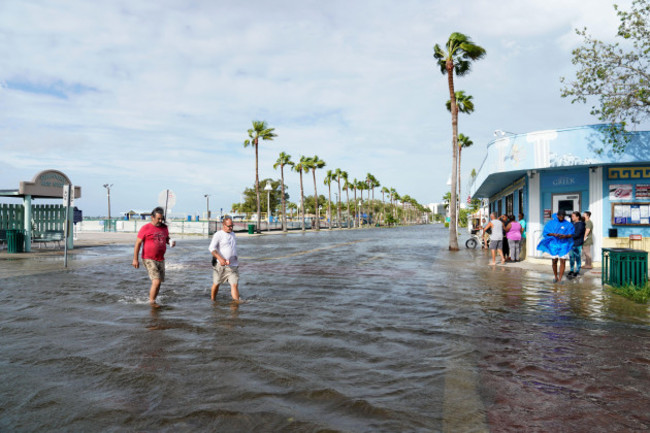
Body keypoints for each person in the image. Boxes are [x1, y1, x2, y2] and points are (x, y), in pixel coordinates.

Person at [132, 207, 176, 303]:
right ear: (152, 217)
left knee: (159, 282)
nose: (160, 221)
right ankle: (152, 303)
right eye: (158, 219)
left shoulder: (164, 227)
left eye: (161, 218)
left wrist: (171, 242)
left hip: (160, 258)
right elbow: (138, 243)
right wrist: (135, 259)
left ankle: (153, 299)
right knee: (156, 281)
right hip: (148, 258)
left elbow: (166, 238)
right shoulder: (145, 228)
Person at [537, 210, 574, 283]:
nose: (562, 217)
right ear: (557, 215)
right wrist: (554, 234)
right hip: (554, 244)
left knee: (563, 260)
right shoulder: (551, 223)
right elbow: (546, 233)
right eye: (560, 216)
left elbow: (571, 234)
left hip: (564, 244)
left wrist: (565, 236)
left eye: (563, 216)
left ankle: (560, 278)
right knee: (554, 261)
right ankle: (555, 276)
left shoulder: (568, 224)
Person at [209, 216, 241, 301]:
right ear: (223, 225)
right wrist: (220, 259)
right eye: (229, 226)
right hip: (220, 266)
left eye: (232, 226)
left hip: (233, 265)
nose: (231, 228)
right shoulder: (218, 234)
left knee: (234, 284)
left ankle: (236, 303)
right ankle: (213, 300)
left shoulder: (233, 234)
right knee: (216, 283)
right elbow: (211, 248)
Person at [568, 211, 586, 278]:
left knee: (577, 257)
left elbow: (577, 234)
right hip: (571, 244)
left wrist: (568, 236)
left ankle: (577, 271)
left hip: (578, 243)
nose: (572, 217)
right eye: (571, 216)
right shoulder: (572, 224)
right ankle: (571, 270)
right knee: (571, 257)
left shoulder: (581, 224)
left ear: (578, 217)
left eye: (573, 216)